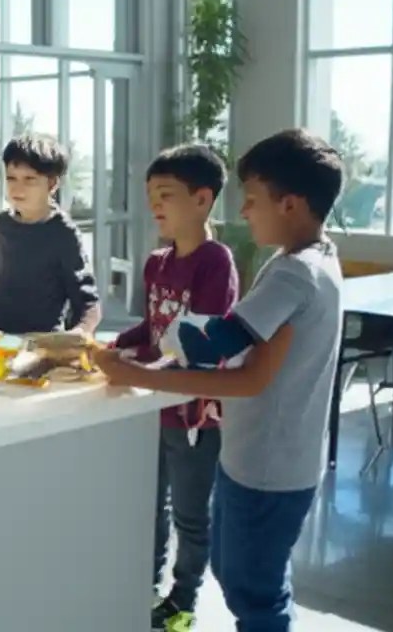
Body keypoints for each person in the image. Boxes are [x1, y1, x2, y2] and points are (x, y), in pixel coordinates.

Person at [93, 129, 345, 632]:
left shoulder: (294, 275)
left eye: (252, 200)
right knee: (241, 575)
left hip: (271, 466)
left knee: (256, 593)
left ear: (290, 204)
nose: (245, 212)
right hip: (253, 456)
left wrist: (138, 373)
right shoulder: (303, 259)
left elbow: (224, 349)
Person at [112, 144, 238, 632]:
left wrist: (140, 368)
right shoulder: (157, 263)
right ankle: (144, 588)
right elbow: (151, 329)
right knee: (150, 506)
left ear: (203, 199)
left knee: (190, 513)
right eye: (151, 195)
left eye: (166, 194)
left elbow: (200, 346)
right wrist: (109, 348)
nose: (155, 205)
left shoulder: (215, 262)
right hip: (152, 407)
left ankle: (183, 601)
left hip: (194, 414)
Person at [0, 133, 100, 335]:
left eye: (29, 180)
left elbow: (88, 302)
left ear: (52, 184)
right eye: (11, 178)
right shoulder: (2, 225)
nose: (17, 187)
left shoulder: (63, 233)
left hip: (42, 341)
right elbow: (3, 289)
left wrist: (80, 333)